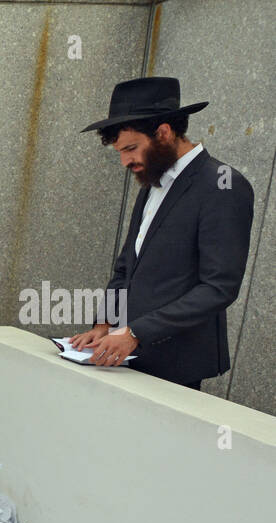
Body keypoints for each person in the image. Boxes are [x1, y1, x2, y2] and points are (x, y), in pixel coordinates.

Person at [69, 77, 253, 390]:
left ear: (164, 133)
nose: (126, 161)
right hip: (125, 358)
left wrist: (135, 333)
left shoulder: (223, 184)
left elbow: (218, 287)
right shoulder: (152, 178)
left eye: (131, 148)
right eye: (120, 151)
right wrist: (105, 324)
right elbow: (127, 265)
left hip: (176, 364)